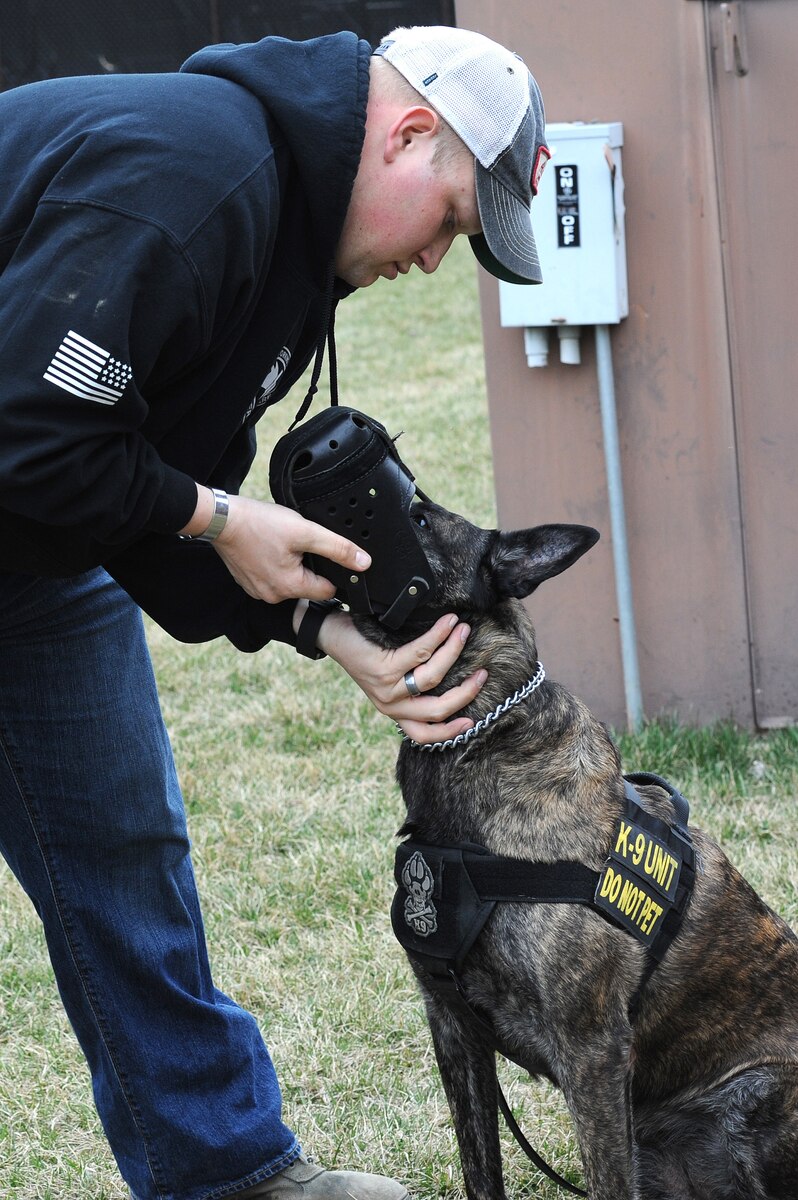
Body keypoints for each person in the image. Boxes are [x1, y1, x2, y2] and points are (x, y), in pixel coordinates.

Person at [0, 23, 548, 1200]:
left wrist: (323, 629)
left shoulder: (292, 255)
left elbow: (134, 483)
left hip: (30, 552)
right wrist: (213, 516)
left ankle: (227, 1175)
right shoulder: (196, 178)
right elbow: (29, 432)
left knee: (125, 851)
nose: (441, 261)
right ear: (406, 135)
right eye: (454, 220)